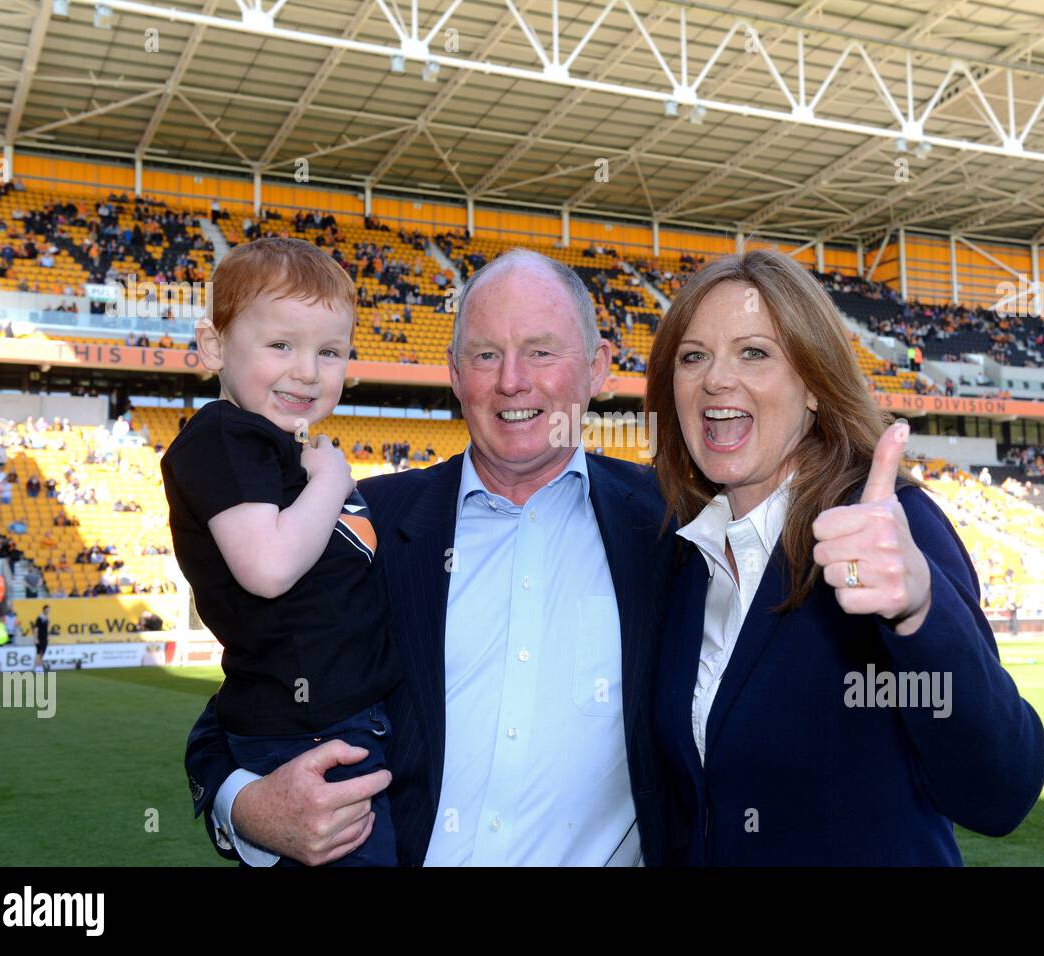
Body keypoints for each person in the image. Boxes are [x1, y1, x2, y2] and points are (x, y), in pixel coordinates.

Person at [185, 248, 677, 867]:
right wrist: (250, 808)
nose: (511, 380)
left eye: (541, 351)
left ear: (599, 366)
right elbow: (249, 694)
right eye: (485, 355)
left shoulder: (670, 529)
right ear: (453, 371)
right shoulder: (366, 523)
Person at [644, 250, 1044, 865]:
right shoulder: (685, 555)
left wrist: (920, 612)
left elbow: (1000, 792)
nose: (715, 379)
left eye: (754, 352)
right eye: (692, 356)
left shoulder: (881, 525)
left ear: (813, 386)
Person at [162, 237, 400, 867]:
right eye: (281, 345)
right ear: (213, 346)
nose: (308, 370)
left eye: (330, 352)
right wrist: (330, 481)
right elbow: (268, 569)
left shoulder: (273, 447)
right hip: (312, 731)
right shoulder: (223, 434)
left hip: (340, 717)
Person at [33, 605, 51, 672]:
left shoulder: (46, 618)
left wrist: (48, 636)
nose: (48, 611)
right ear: (44, 610)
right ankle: (36, 667)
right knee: (39, 653)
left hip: (44, 638)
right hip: (40, 638)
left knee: (42, 653)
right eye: (47, 609)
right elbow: (36, 629)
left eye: (48, 609)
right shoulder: (40, 618)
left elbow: (46, 629)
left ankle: (39, 667)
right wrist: (35, 638)